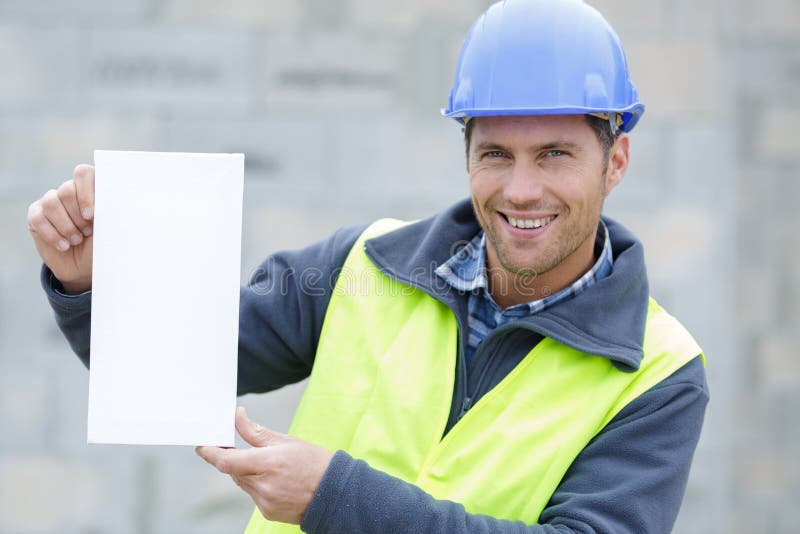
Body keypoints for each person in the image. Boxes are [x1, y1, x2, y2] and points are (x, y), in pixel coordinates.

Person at [28, 1, 709, 532]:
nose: (521, 190)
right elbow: (172, 367)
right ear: (467, 155)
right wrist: (93, 281)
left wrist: (332, 499)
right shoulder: (360, 265)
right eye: (496, 153)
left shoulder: (659, 373)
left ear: (614, 162)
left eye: (555, 155)